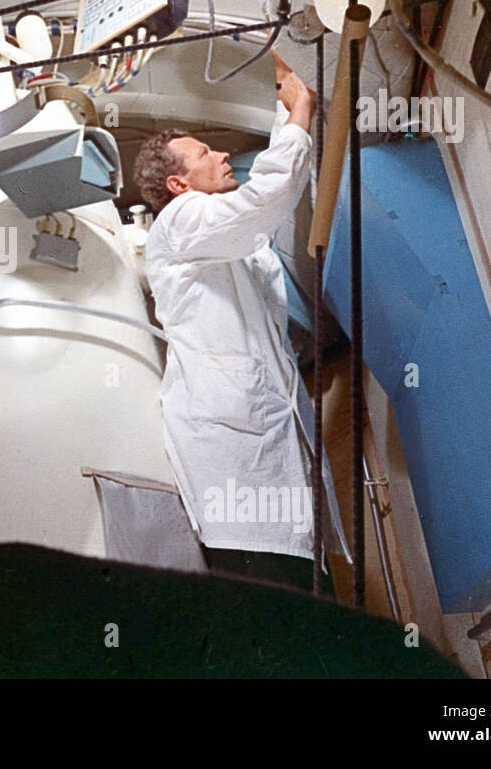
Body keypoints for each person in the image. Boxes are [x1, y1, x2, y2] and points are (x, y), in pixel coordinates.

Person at [134, 51, 350, 592]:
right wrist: (299, 111)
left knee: (298, 595)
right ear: (179, 186)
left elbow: (255, 213)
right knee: (280, 602)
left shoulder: (214, 237)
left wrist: (287, 93)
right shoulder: (179, 222)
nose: (222, 153)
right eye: (205, 153)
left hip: (259, 459)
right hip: (236, 468)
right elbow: (266, 199)